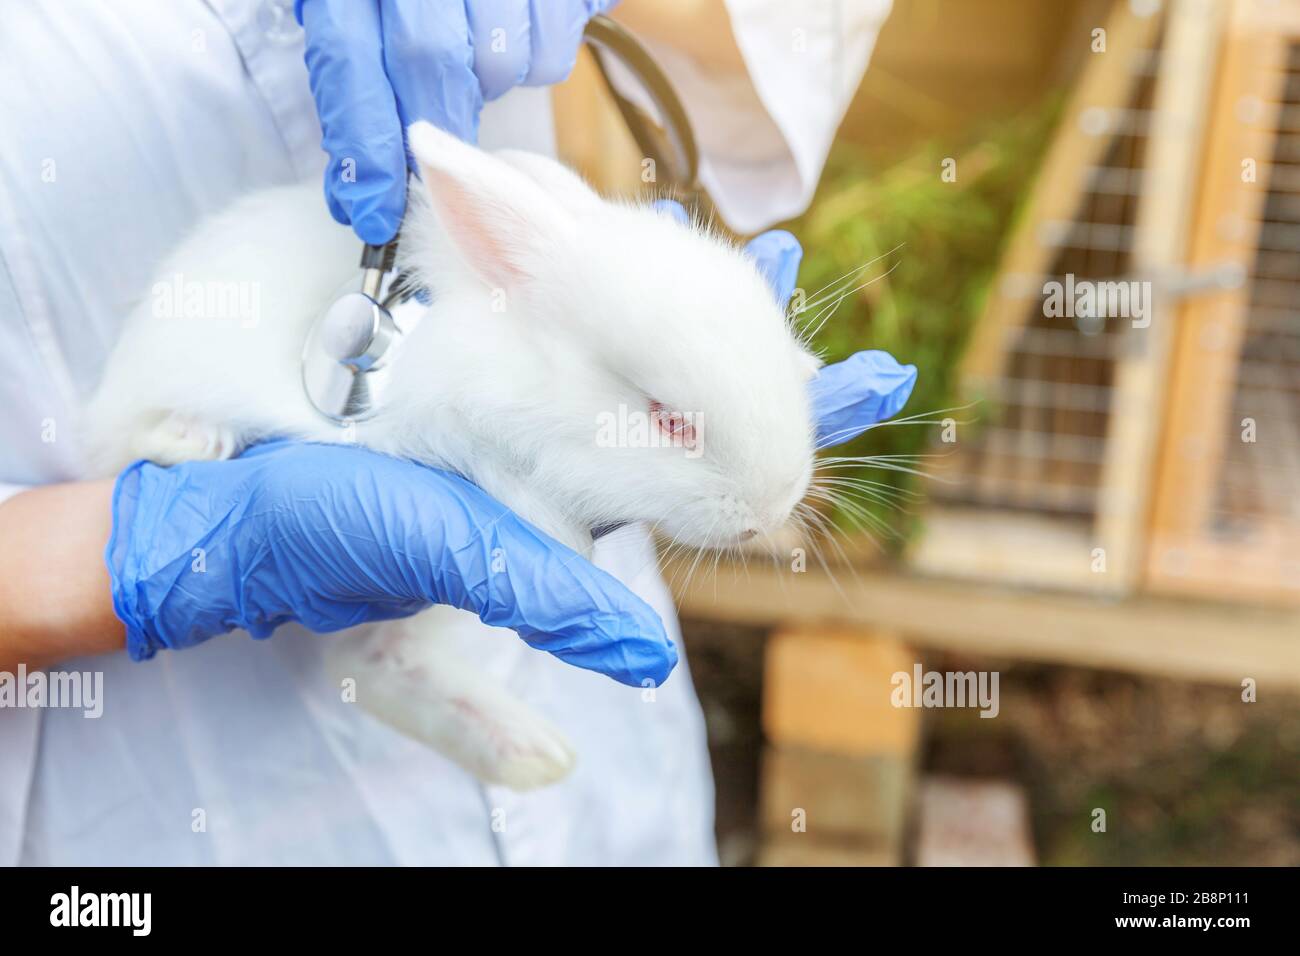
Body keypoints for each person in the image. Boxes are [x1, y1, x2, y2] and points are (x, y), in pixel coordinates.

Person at [0, 0, 908, 865]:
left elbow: (783, 38)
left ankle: (408, 661)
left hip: (611, 792)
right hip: (151, 790)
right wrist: (138, 553)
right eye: (669, 421)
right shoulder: (484, 353)